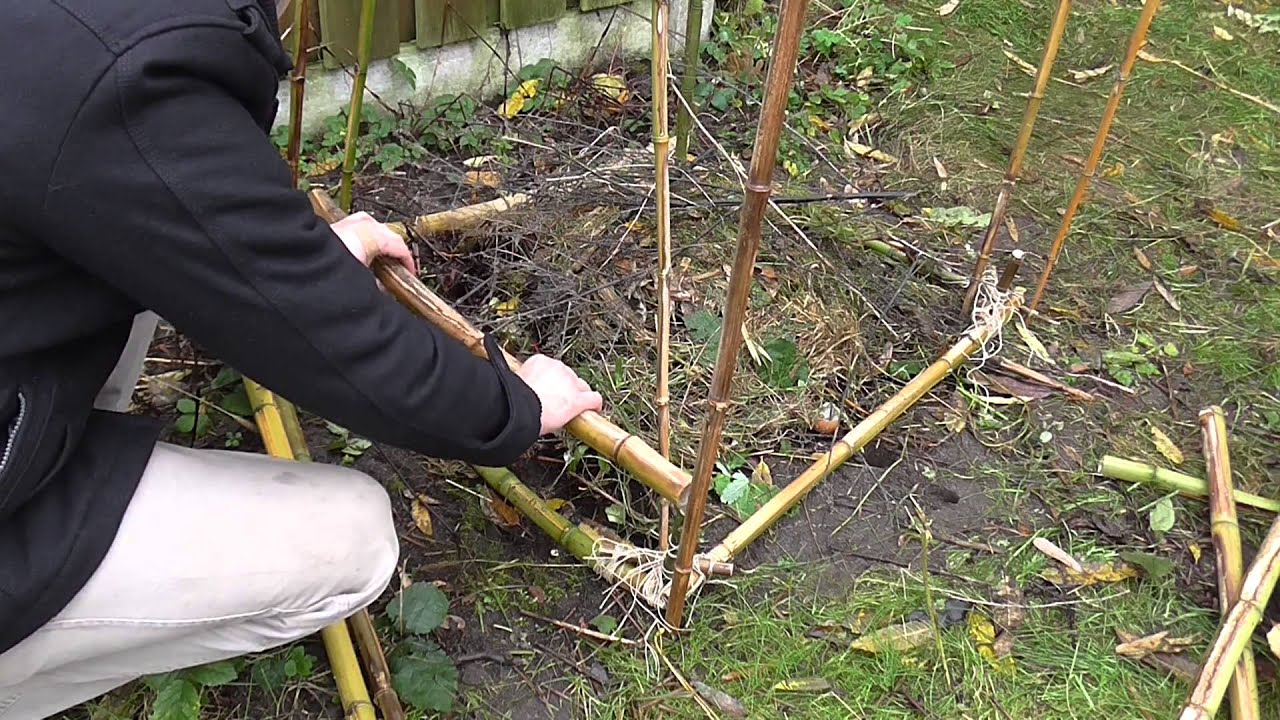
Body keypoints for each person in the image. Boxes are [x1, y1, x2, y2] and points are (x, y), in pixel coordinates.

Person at [0, 1, 603, 716]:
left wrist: (281, 267)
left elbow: (146, 196)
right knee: (354, 536)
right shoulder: (124, 77)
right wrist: (515, 405)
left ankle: (66, 464)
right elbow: (359, 360)